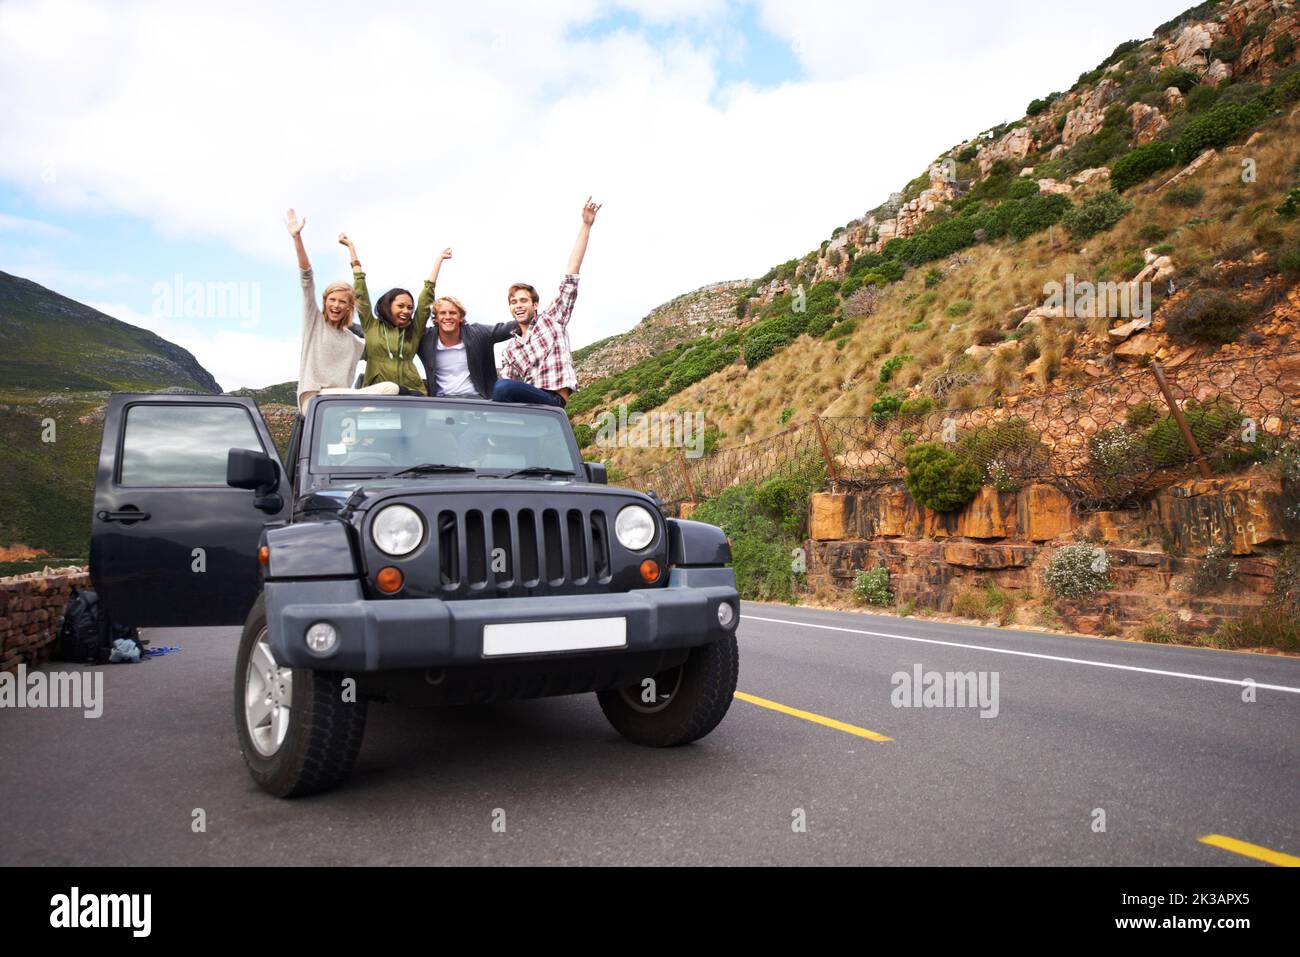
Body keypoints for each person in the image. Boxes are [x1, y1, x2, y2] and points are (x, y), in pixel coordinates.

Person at [287, 208, 399, 414]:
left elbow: (382, 352)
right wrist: (297, 238)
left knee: (391, 389)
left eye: (342, 302)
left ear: (349, 306)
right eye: (332, 300)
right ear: (325, 301)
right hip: (315, 400)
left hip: (343, 401)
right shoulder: (314, 323)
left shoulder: (354, 342)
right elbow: (307, 278)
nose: (336, 305)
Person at [492, 197, 601, 407]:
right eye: (514, 302)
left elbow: (571, 273)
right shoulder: (511, 349)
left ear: (534, 305)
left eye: (523, 300)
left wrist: (586, 225)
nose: (519, 305)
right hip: (530, 403)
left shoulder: (552, 319)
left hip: (552, 399)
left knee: (502, 388)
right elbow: (505, 383)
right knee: (499, 388)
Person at [343, 234, 445, 395]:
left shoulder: (414, 329)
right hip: (377, 391)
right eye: (401, 306)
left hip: (411, 391)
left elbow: (426, 300)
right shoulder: (371, 325)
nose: (406, 311)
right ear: (388, 306)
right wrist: (352, 250)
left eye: (410, 308)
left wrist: (439, 261)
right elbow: (361, 291)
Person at [417, 290, 518, 399]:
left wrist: (533, 316)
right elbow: (412, 322)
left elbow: (505, 329)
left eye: (452, 313)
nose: (447, 317)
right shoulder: (426, 339)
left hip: (473, 399)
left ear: (461, 317)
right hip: (441, 400)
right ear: (436, 318)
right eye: (442, 313)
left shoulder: (477, 333)